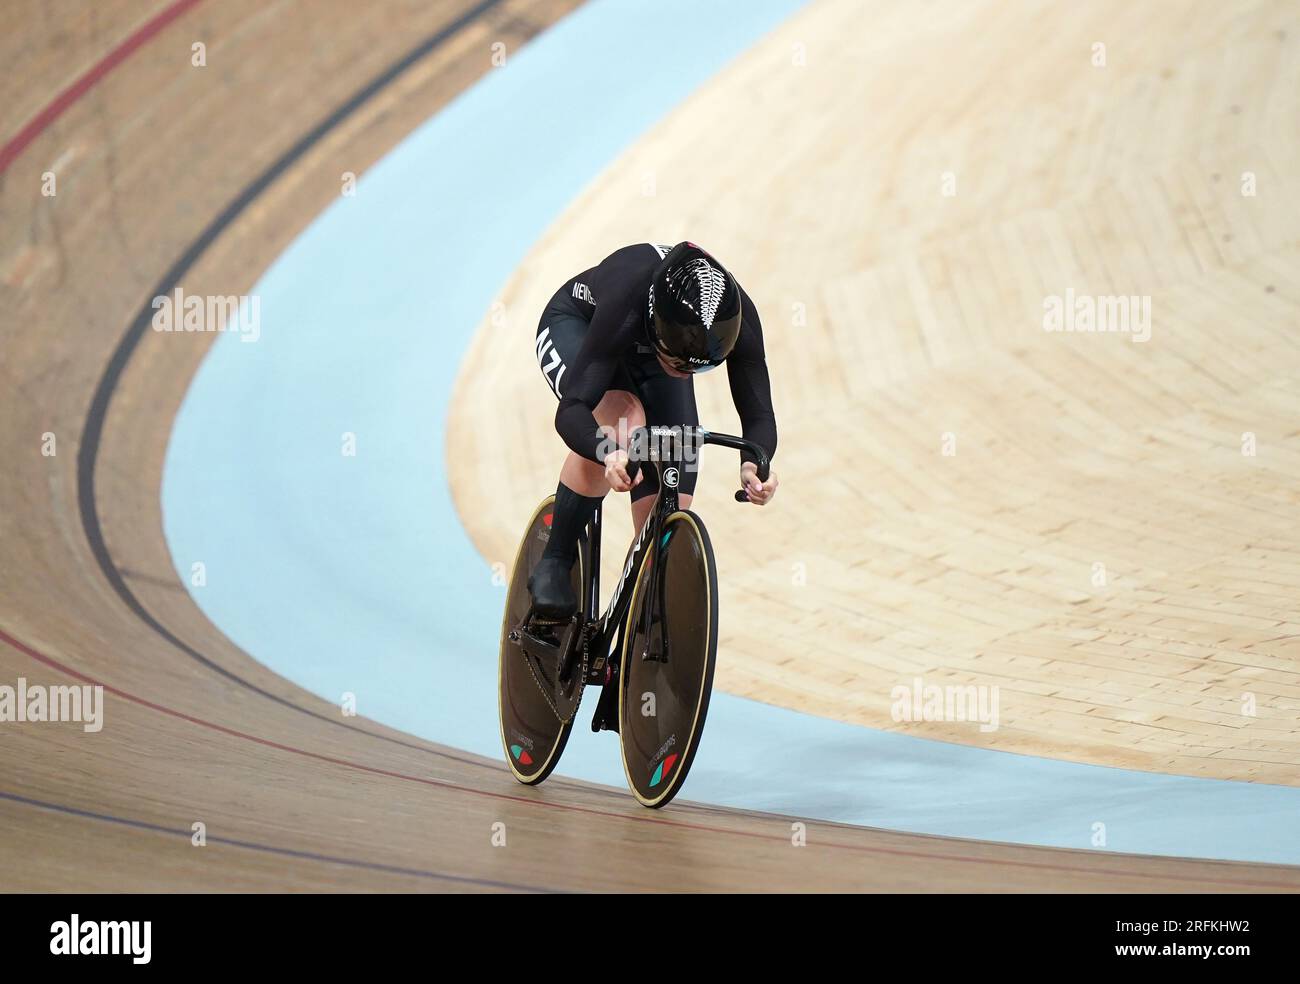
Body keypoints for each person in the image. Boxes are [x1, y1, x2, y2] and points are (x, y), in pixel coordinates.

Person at [528, 241, 779, 617]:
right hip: (582, 327)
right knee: (622, 423)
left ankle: (634, 625)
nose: (688, 371)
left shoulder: (735, 319)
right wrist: (605, 450)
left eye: (698, 366)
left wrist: (753, 463)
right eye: (682, 361)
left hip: (656, 352)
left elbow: (758, 414)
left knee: (671, 485)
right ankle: (555, 560)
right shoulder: (627, 294)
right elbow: (572, 410)